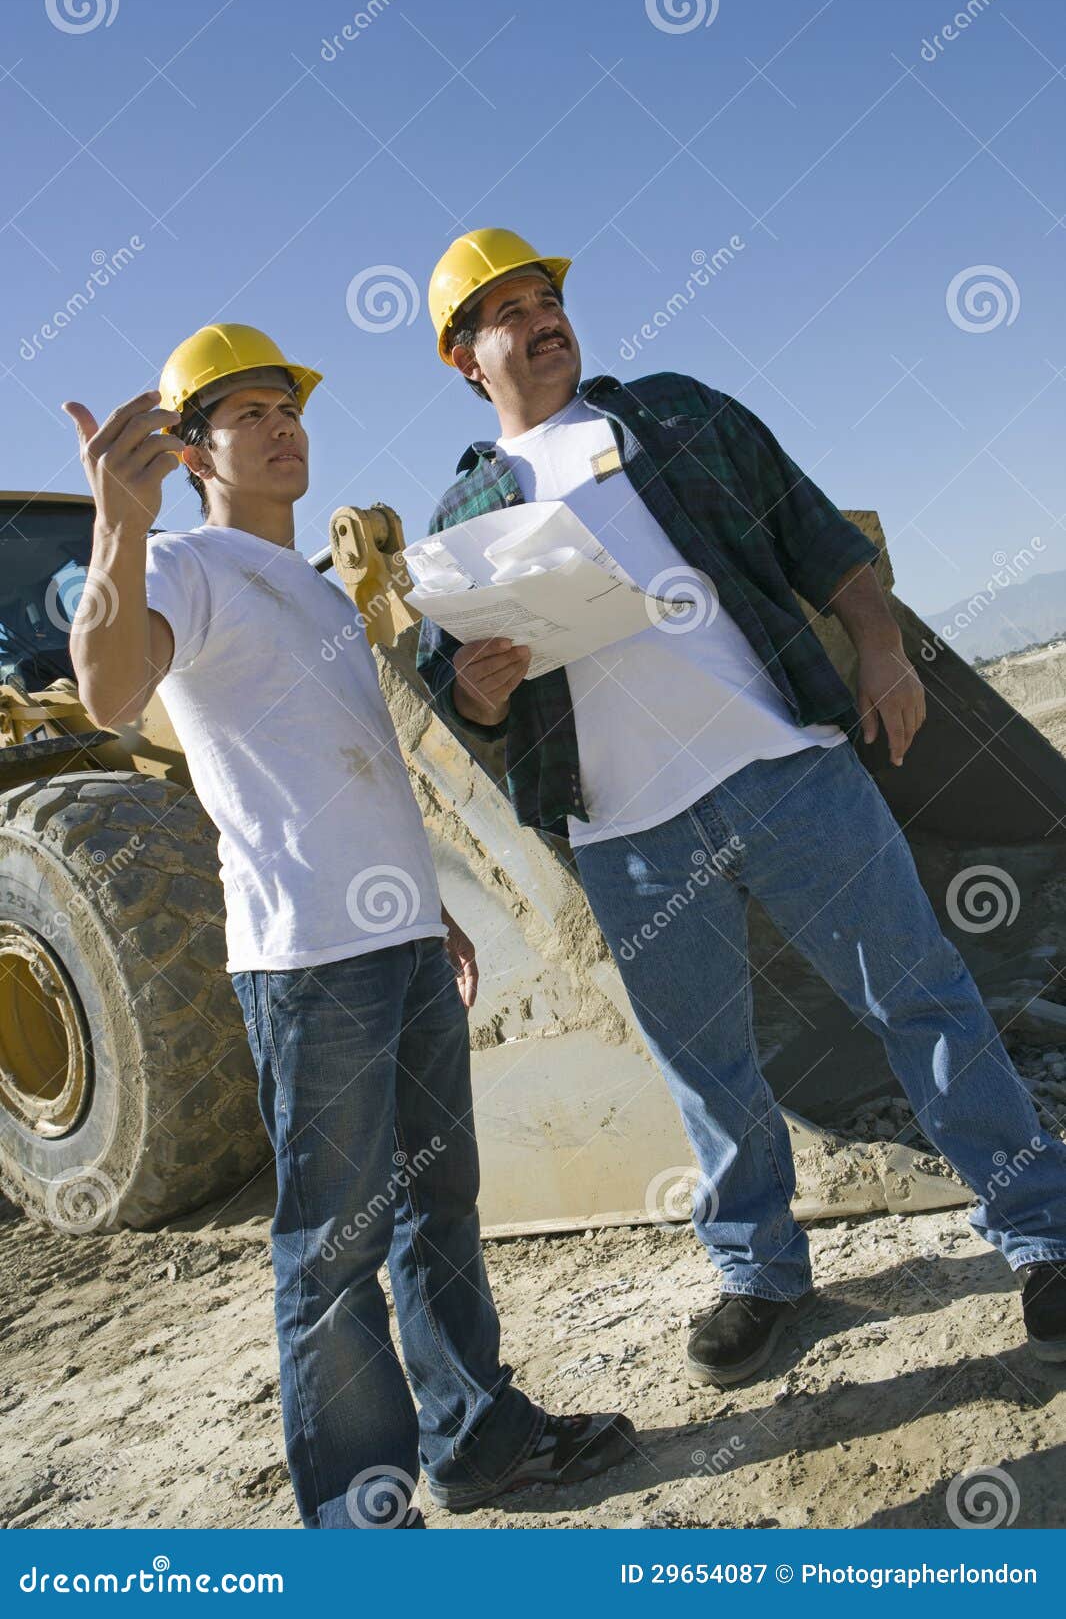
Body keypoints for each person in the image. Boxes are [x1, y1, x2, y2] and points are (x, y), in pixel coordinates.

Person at [416, 228, 1066, 1389]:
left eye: (547, 295)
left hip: (786, 773)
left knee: (921, 998)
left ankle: (1044, 1232)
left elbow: (817, 537)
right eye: (508, 310)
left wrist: (880, 652)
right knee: (704, 1061)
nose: (542, 316)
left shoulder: (675, 415)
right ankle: (760, 1273)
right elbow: (459, 697)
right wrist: (472, 689)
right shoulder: (462, 513)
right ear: (467, 358)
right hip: (627, 832)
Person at [63, 322, 635, 1528]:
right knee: (331, 1255)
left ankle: (477, 1438)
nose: (283, 427)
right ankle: (361, 1526)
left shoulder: (312, 591)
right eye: (250, 414)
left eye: (290, 407)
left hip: (397, 945)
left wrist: (427, 906)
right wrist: (116, 520)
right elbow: (112, 691)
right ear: (192, 448)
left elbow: (347, 769)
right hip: (307, 966)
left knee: (440, 1205)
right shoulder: (185, 567)